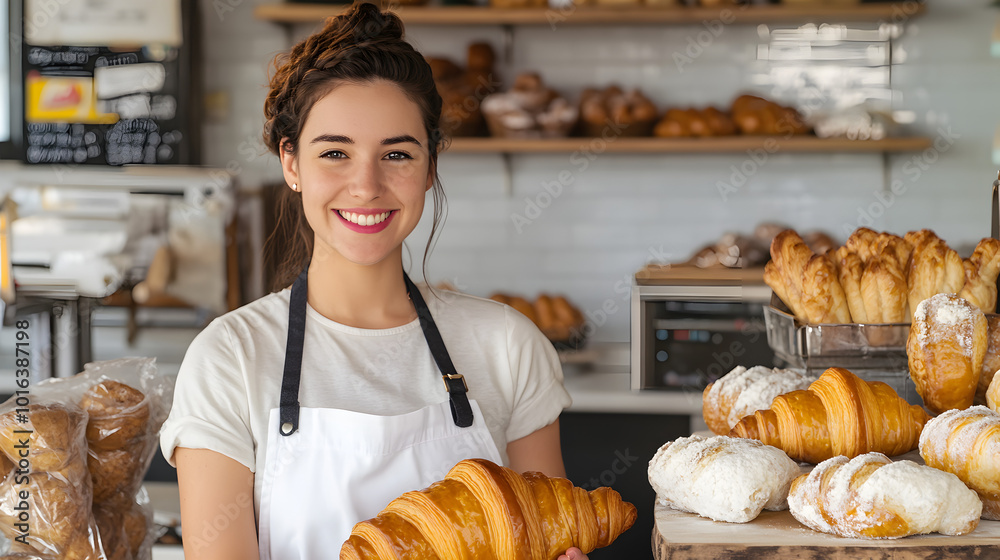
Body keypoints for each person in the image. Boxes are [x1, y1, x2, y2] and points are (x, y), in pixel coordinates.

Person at [159, 3, 590, 559]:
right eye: (335, 152)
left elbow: (546, 536)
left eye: (397, 154)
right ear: (291, 163)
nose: (366, 186)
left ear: (431, 167)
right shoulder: (230, 358)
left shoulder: (507, 345)